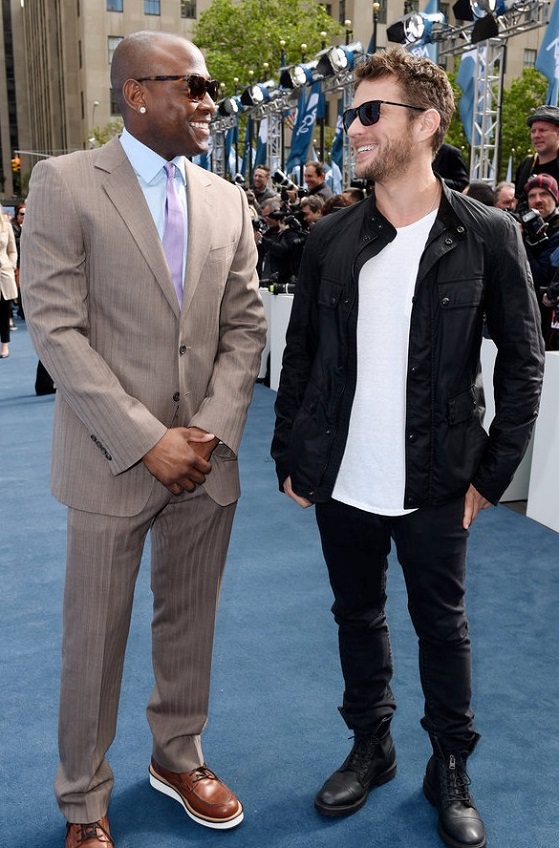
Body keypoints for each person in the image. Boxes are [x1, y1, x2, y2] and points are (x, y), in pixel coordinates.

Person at [271, 48, 544, 848]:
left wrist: (489, 478)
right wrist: (291, 452)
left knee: (441, 626)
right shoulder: (332, 238)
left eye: (368, 114)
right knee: (355, 615)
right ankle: (372, 744)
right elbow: (303, 358)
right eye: (351, 113)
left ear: (423, 124)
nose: (352, 129)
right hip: (343, 479)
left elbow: (523, 364)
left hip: (438, 477)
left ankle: (449, 764)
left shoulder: (487, 235)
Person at [21, 30, 266, 848]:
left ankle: (177, 754)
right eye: (192, 87)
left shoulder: (227, 198)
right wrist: (146, 438)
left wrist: (205, 431)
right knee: (95, 636)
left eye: (209, 91)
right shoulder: (64, 182)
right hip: (108, 459)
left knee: (188, 621)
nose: (207, 103)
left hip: (206, 459)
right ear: (135, 92)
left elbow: (244, 327)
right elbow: (54, 327)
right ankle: (83, 801)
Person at [522, 173, 559, 349]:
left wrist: (519, 239)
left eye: (544, 194)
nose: (537, 200)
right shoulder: (529, 231)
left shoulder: (557, 233)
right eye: (532, 195)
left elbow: (538, 276)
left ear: (555, 198)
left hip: (547, 327)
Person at [515, 105, 559, 203]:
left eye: (542, 130)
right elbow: (518, 202)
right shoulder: (526, 166)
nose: (536, 136)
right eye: (533, 131)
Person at [0, 205, 18, 358]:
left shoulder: (6, 226)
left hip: (3, 273)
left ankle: (4, 345)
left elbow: (12, 249)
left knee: (4, 312)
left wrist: (11, 265)